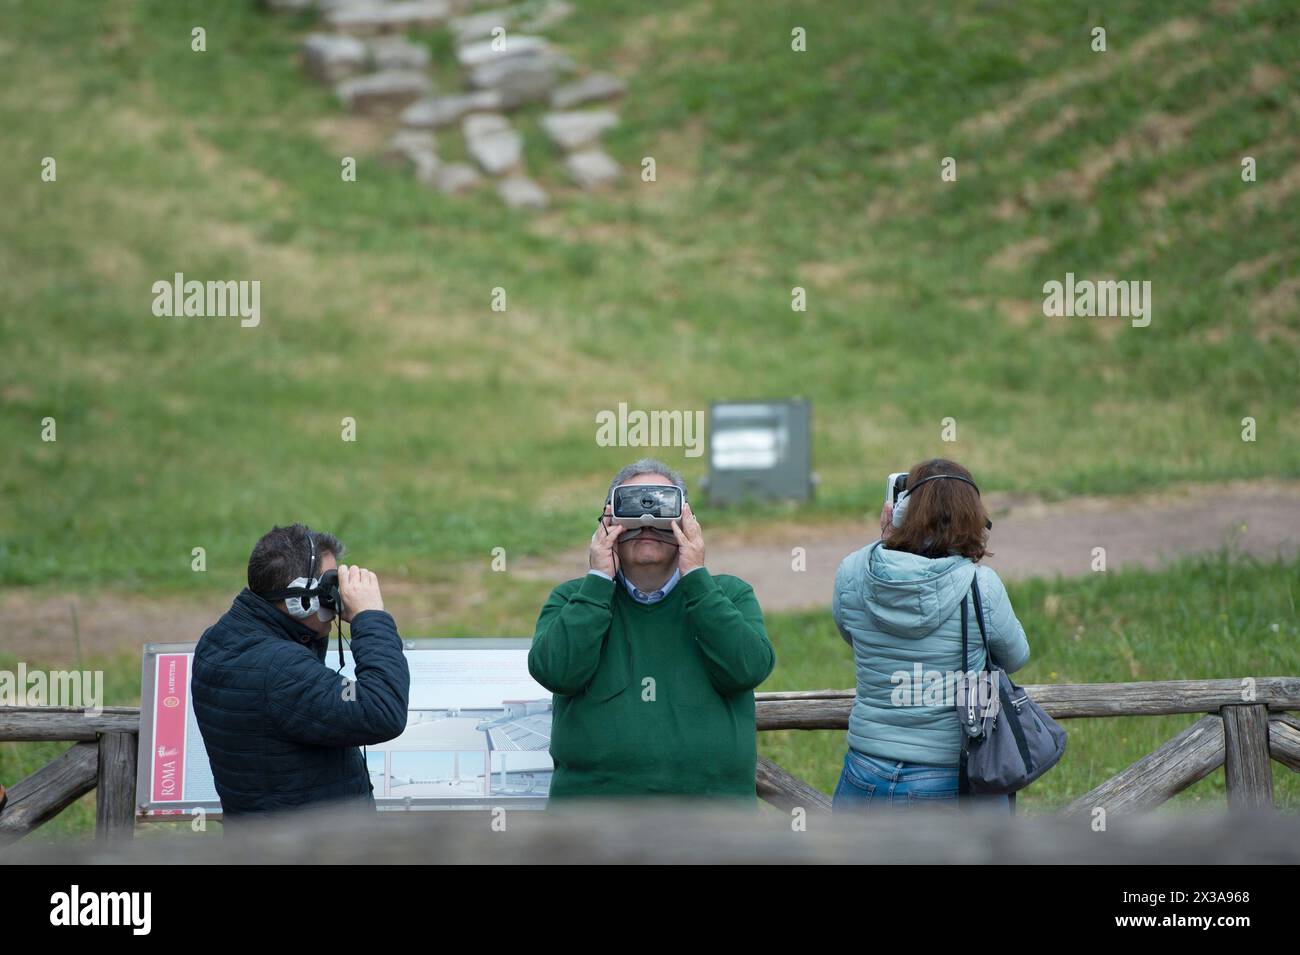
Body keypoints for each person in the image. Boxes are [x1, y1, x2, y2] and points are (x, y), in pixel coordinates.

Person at [529, 458, 776, 802]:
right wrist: (599, 580)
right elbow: (556, 672)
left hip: (711, 817)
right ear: (607, 522)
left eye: (662, 509)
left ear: (687, 521)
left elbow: (747, 668)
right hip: (593, 817)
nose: (646, 522)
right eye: (631, 509)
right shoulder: (574, 598)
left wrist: (697, 579)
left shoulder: (729, 595)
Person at [831, 459, 1030, 811]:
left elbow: (852, 635)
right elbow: (1016, 657)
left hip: (864, 773)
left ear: (899, 509)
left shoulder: (852, 572)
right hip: (951, 777)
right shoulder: (980, 584)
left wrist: (889, 539)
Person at [192, 523, 410, 824]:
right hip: (311, 849)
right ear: (303, 600)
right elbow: (382, 711)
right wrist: (369, 617)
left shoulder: (221, 639)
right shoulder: (279, 669)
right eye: (330, 586)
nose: (339, 597)